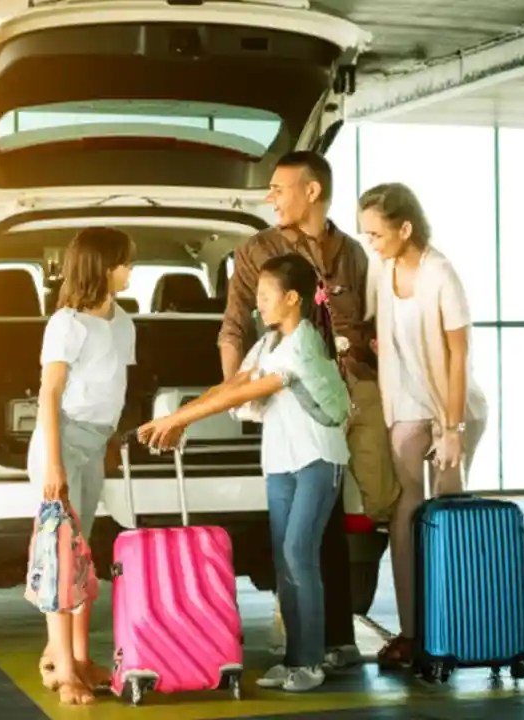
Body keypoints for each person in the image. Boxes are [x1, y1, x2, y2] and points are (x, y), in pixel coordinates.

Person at [218, 150, 397, 670]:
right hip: (294, 398)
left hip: (356, 392)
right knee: (309, 528)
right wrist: (235, 391)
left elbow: (374, 327)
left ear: (312, 191)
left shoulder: (354, 253)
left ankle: (338, 637)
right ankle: (313, 640)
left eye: (279, 188)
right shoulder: (257, 250)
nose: (270, 197)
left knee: (368, 510)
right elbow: (234, 326)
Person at [140, 253, 351, 692]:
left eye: (267, 295)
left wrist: (178, 420)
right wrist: (177, 418)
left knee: (298, 553)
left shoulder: (301, 345)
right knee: (284, 560)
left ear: (293, 298)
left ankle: (311, 662)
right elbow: (231, 386)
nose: (259, 303)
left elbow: (247, 393)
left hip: (317, 460)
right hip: (281, 462)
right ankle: (294, 660)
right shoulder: (268, 342)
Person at [356, 183, 488, 669]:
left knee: (446, 512)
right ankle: (413, 632)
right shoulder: (382, 269)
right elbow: (376, 326)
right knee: (405, 514)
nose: (371, 242)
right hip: (405, 405)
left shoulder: (440, 274)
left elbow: (458, 357)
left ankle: (454, 627)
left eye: (376, 233)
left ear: (405, 228)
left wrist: (452, 429)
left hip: (452, 407)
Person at [24, 226, 136, 704]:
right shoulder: (66, 324)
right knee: (61, 557)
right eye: (125, 262)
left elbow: (113, 387)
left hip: (94, 442)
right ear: (102, 267)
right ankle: (64, 670)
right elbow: (49, 394)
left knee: (82, 554)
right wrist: (54, 465)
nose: (131, 269)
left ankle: (77, 658)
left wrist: (108, 443)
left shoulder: (123, 322)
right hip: (63, 441)